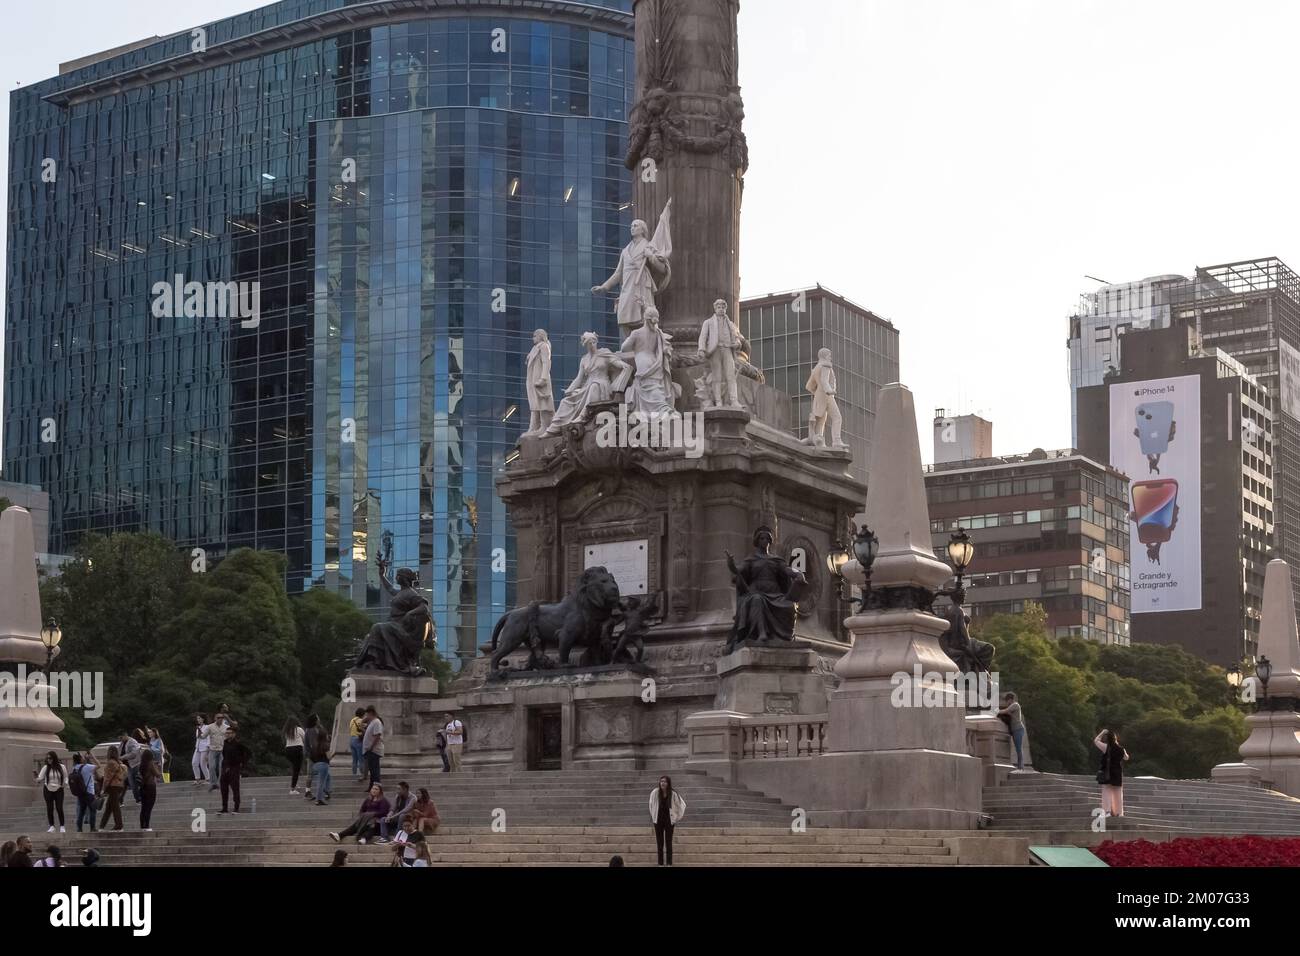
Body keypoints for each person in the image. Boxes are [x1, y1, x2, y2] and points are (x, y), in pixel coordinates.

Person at [543, 332, 631, 435]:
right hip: (587, 386)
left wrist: (623, 365)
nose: (592, 344)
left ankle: (584, 415)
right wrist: (569, 390)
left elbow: (616, 362)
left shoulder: (604, 353)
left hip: (601, 384)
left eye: (594, 341)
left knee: (594, 385)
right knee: (565, 401)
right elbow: (579, 379)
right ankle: (553, 429)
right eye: (589, 342)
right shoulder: (584, 359)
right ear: (585, 345)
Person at [648, 775, 686, 866]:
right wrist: (653, 816)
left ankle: (669, 863)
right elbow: (651, 804)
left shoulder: (673, 794)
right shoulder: (655, 792)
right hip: (658, 821)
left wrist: (676, 818)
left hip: (669, 821)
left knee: (668, 843)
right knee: (659, 843)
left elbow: (682, 806)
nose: (662, 783)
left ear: (668, 783)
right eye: (661, 781)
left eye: (664, 781)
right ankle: (660, 863)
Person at [524, 329, 555, 437]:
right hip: (532, 378)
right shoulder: (535, 348)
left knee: (542, 402)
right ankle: (533, 427)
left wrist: (543, 378)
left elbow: (546, 362)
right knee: (534, 403)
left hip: (540, 378)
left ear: (541, 336)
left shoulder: (544, 346)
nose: (533, 338)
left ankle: (544, 426)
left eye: (535, 336)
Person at [1095, 729, 1130, 818]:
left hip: (1108, 773)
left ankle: (1107, 812)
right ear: (1115, 739)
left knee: (1106, 792)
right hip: (1117, 773)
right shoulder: (1121, 749)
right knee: (1118, 793)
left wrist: (1102, 732)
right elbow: (1126, 758)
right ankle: (1119, 813)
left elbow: (1096, 741)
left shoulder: (1106, 747)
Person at [219, 724, 252, 814]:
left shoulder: (238, 744)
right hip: (225, 767)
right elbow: (224, 755)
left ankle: (236, 807)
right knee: (223, 788)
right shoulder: (225, 743)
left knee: (235, 788)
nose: (228, 735)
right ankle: (224, 807)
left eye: (230, 733)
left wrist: (242, 763)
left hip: (234, 767)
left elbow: (248, 753)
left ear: (234, 734)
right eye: (227, 733)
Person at [35, 750, 67, 833]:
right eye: (47, 758)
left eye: (50, 758)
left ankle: (62, 826)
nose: (48, 760)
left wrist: (65, 784)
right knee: (50, 808)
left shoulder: (62, 767)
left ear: (54, 758)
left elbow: (66, 777)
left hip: (59, 788)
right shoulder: (45, 767)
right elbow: (40, 778)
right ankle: (52, 826)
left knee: (59, 807)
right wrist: (36, 778)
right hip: (48, 789)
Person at [99, 746, 127, 832]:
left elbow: (107, 777)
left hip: (112, 786)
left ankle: (119, 825)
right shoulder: (118, 762)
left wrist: (103, 789)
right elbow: (124, 776)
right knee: (109, 806)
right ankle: (102, 826)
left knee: (115, 806)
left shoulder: (110, 763)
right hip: (119, 786)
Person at [305, 714, 332, 806]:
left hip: (316, 759)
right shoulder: (312, 731)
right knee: (319, 779)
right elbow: (328, 756)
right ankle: (318, 797)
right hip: (319, 761)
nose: (319, 719)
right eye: (318, 718)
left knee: (327, 776)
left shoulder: (314, 730)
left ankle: (327, 791)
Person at [998, 693, 1026, 770]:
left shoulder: (1015, 705)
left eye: (1007, 701)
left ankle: (1021, 766)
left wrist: (997, 711)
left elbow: (1005, 711)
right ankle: (1020, 766)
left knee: (1018, 748)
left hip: (1018, 729)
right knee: (1018, 748)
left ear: (1010, 700)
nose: (1006, 702)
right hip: (1015, 730)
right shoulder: (1013, 706)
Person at [138, 748, 161, 831]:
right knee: (149, 807)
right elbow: (158, 774)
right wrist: (158, 766)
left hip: (142, 787)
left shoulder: (141, 764)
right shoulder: (151, 763)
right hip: (150, 787)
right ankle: (147, 825)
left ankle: (142, 825)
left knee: (143, 807)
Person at [206, 711, 230, 791]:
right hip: (212, 749)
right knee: (212, 767)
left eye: (222, 718)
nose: (220, 719)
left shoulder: (226, 727)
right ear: (215, 718)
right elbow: (203, 736)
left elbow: (229, 738)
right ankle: (213, 783)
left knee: (221, 767)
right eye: (218, 718)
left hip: (223, 749)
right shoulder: (210, 727)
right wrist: (200, 735)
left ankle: (220, 783)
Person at [362, 706, 384, 788]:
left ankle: (376, 787)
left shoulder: (376, 722)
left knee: (374, 770)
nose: (366, 716)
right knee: (372, 770)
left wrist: (371, 747)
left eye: (367, 714)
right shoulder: (372, 722)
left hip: (374, 750)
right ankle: (371, 787)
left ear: (371, 713)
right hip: (370, 750)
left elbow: (377, 735)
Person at [121, 730, 145, 803]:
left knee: (134, 783)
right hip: (127, 766)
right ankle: (137, 799)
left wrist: (122, 757)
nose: (121, 739)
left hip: (134, 765)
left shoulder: (132, 742)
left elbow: (134, 754)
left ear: (125, 735)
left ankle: (139, 799)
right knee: (129, 783)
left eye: (121, 737)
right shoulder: (122, 743)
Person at [284, 716, 305, 794]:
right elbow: (304, 738)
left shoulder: (287, 731)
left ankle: (295, 784)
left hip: (288, 750)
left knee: (295, 767)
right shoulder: (299, 729)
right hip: (297, 749)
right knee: (297, 769)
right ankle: (292, 789)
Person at [192, 714, 210, 786]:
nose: (198, 720)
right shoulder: (198, 727)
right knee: (194, 763)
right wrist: (199, 730)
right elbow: (198, 737)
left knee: (203, 764)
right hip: (198, 748)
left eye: (199, 718)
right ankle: (197, 779)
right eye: (197, 718)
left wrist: (208, 749)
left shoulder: (207, 727)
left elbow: (208, 737)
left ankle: (208, 779)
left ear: (203, 719)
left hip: (205, 748)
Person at [348, 707, 366, 780]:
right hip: (358, 739)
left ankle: (354, 774)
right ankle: (362, 774)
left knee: (354, 759)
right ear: (362, 714)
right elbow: (365, 729)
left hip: (351, 739)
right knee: (361, 759)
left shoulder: (352, 720)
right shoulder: (361, 721)